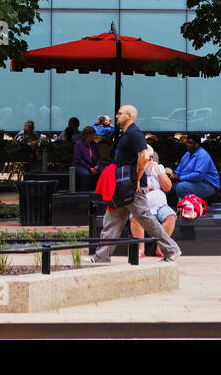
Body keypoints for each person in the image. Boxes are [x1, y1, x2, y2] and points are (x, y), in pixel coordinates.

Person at [89, 104, 180, 263]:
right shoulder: (127, 134)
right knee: (112, 221)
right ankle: (101, 257)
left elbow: (144, 156)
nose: (116, 116)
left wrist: (137, 179)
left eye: (119, 113)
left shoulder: (134, 133)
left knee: (145, 218)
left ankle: (172, 250)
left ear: (129, 116)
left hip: (132, 186)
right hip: (123, 186)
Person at [130, 149, 177, 257]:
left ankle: (161, 249)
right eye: (146, 158)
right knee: (135, 217)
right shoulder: (134, 168)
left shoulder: (158, 168)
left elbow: (168, 187)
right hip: (140, 203)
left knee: (171, 216)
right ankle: (140, 249)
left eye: (151, 157)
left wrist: (158, 172)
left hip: (159, 204)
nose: (149, 160)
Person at [166, 134, 219, 202]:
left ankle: (186, 207)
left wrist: (179, 178)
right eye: (186, 142)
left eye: (190, 143)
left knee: (181, 187)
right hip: (191, 183)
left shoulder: (202, 155)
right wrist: (172, 175)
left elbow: (198, 176)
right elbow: (180, 169)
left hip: (208, 186)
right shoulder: (187, 154)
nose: (187, 144)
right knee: (167, 186)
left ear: (197, 144)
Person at [72, 125, 100, 191]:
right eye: (92, 135)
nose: (93, 136)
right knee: (86, 174)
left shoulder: (94, 144)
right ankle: (83, 193)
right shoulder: (79, 144)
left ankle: (99, 192)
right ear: (87, 135)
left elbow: (98, 157)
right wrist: (89, 168)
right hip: (81, 166)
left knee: (103, 171)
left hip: (93, 166)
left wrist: (97, 165)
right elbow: (78, 159)